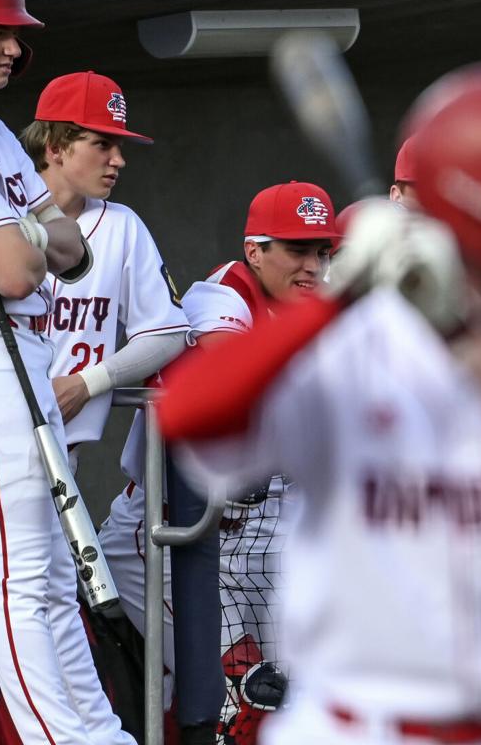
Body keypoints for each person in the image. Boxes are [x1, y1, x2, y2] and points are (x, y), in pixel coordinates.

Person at [158, 60, 481, 745]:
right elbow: (187, 413)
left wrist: (461, 333)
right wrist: (339, 298)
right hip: (354, 728)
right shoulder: (354, 338)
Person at [98, 180, 341, 741]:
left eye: (321, 251)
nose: (312, 266)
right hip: (164, 542)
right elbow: (232, 373)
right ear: (255, 250)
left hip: (254, 549)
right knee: (242, 691)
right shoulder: (222, 293)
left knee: (292, 695)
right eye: (296, 250)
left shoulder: (319, 306)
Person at [0, 0, 135, 745]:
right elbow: (19, 269)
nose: (14, 48)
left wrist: (33, 235)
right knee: (18, 576)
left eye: (15, 34)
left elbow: (71, 250)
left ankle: (97, 733)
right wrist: (35, 235)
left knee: (53, 572)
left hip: (28, 353)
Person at [17, 71, 189, 469]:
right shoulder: (3, 213)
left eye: (119, 146)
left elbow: (167, 333)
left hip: (60, 458)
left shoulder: (121, 225)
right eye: (102, 144)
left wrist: (88, 383)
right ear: (55, 146)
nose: (118, 160)